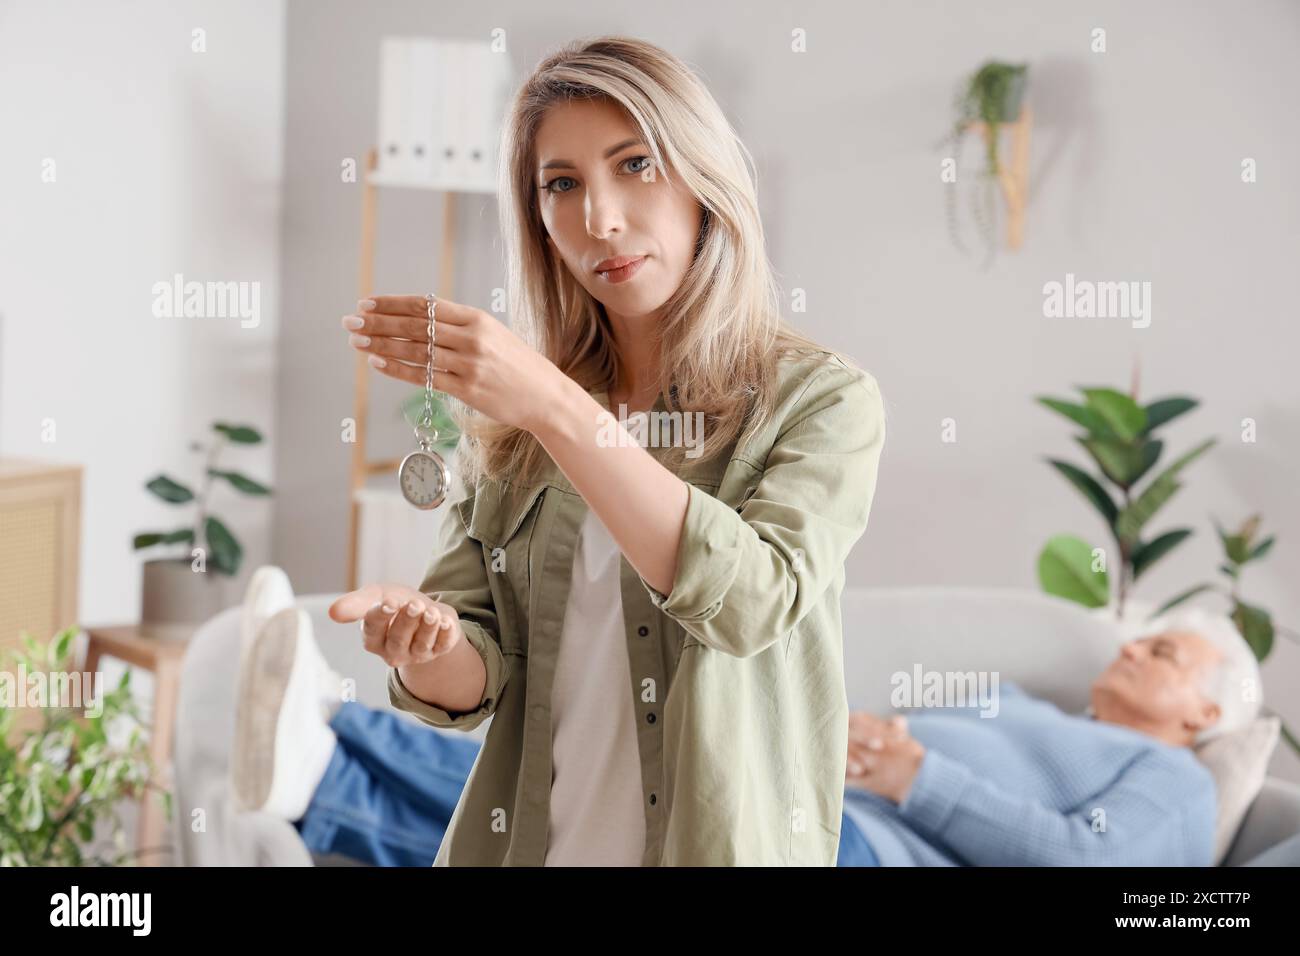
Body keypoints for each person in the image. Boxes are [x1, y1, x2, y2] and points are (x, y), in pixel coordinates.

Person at [327, 36, 887, 865]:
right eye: (563, 185)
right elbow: (475, 676)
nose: (601, 218)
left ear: (703, 178)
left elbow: (747, 604)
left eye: (636, 165)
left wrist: (555, 406)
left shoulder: (822, 402)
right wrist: (427, 647)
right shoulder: (516, 423)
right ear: (539, 220)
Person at [232, 569, 1285, 867]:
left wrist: (917, 774)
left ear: (1206, 707)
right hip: (820, 801)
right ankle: (322, 769)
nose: (1133, 647)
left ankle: (334, 750)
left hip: (862, 844)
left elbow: (1085, 863)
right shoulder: (1032, 704)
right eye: (1142, 635)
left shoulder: (1181, 785)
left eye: (1166, 652)